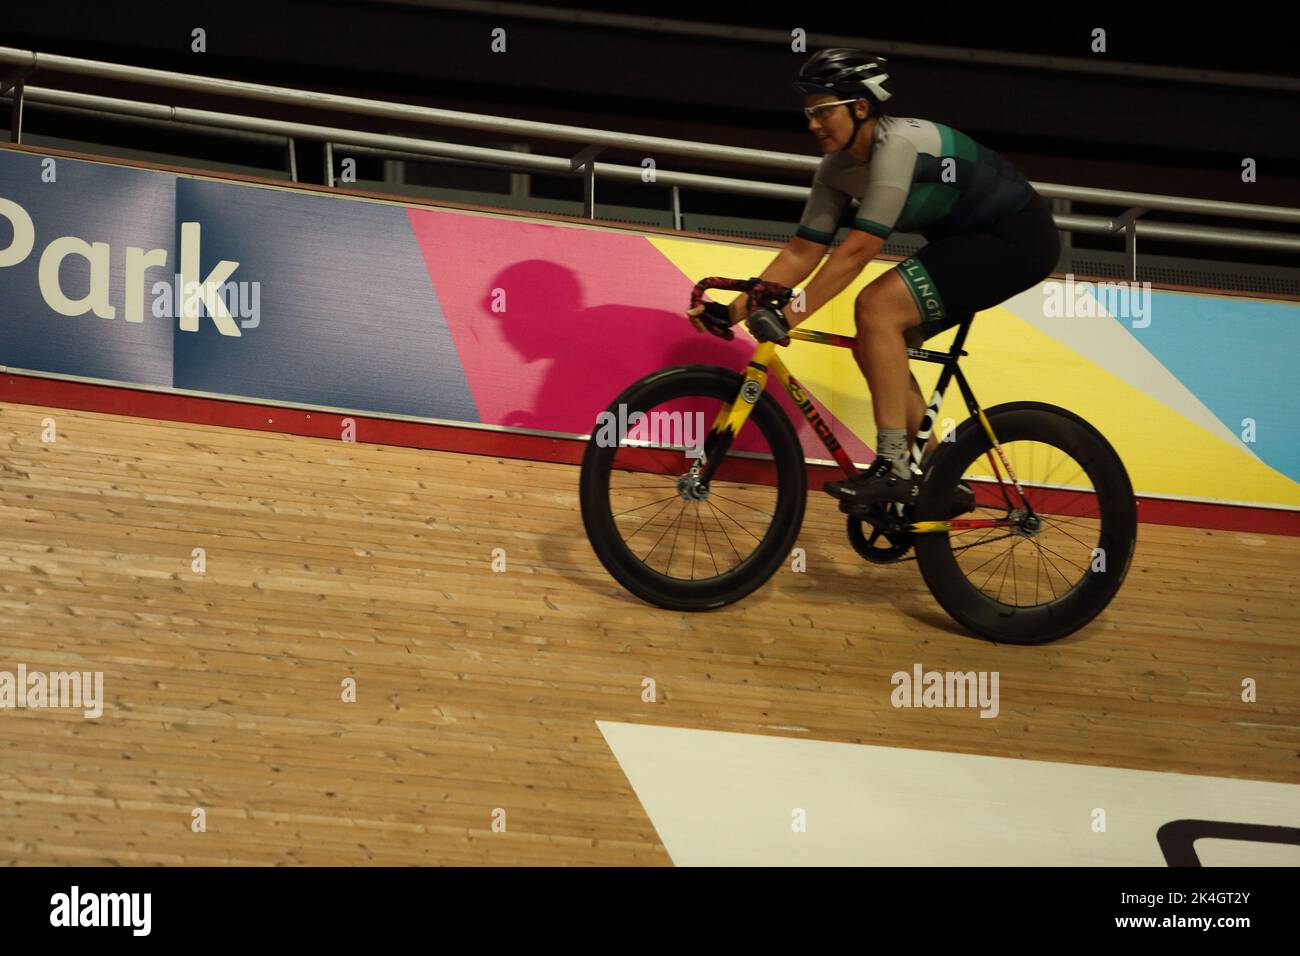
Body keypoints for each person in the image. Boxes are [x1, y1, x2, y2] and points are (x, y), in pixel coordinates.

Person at [688, 48, 1061, 508]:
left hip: (1016, 238)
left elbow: (860, 250)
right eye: (808, 114)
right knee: (877, 341)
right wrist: (736, 308)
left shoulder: (897, 146)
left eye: (823, 112)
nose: (812, 125)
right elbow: (803, 251)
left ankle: (892, 469)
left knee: (876, 307)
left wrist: (790, 315)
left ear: (860, 107)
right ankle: (939, 475)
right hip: (962, 242)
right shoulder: (836, 170)